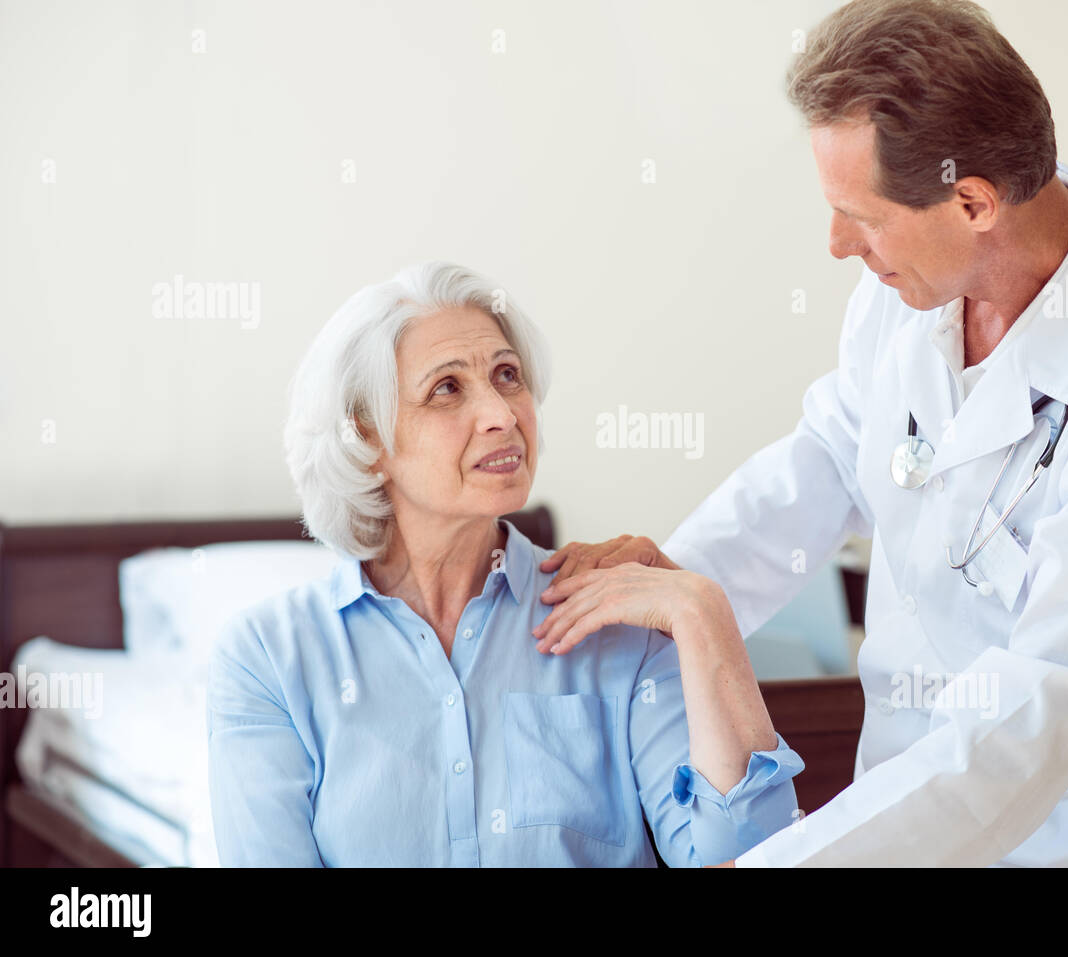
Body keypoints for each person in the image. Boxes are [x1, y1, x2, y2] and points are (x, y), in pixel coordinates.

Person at [534, 0, 1068, 867]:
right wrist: (668, 587)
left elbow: (1032, 717)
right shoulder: (910, 288)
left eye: (865, 216)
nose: (839, 244)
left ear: (974, 201)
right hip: (905, 807)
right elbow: (828, 461)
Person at [206, 261, 803, 866]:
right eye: (447, 388)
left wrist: (703, 612)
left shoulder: (617, 626)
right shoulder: (268, 660)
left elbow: (748, 861)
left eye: (507, 376)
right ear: (366, 444)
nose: (501, 413)